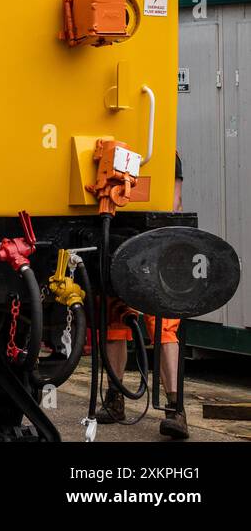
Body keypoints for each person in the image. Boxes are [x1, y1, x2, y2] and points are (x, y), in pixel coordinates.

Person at [98, 152, 187, 438]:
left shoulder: (161, 151)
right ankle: (118, 399)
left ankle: (175, 408)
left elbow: (173, 202)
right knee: (117, 320)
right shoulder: (155, 149)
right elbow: (174, 200)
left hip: (147, 240)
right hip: (127, 239)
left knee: (161, 324)